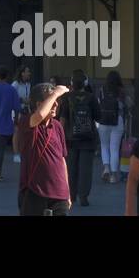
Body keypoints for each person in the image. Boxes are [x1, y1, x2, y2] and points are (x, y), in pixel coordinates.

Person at [14, 82, 71, 216]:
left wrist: (67, 191)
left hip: (59, 194)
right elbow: (39, 116)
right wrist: (56, 92)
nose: (56, 104)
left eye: (57, 101)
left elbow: (62, 160)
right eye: (52, 101)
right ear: (39, 104)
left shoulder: (57, 126)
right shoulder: (27, 122)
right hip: (35, 191)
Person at [59, 70, 98, 207]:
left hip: (70, 138)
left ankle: (71, 195)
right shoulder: (91, 97)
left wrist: (60, 138)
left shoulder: (66, 97)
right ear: (85, 83)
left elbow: (62, 119)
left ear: (71, 83)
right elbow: (98, 117)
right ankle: (84, 196)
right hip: (88, 138)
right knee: (85, 169)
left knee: (71, 168)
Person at [96, 70, 128, 184]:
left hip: (103, 120)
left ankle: (106, 168)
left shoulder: (101, 90)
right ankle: (114, 176)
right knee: (114, 148)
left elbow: (98, 104)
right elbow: (126, 105)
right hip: (117, 121)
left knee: (104, 146)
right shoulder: (121, 91)